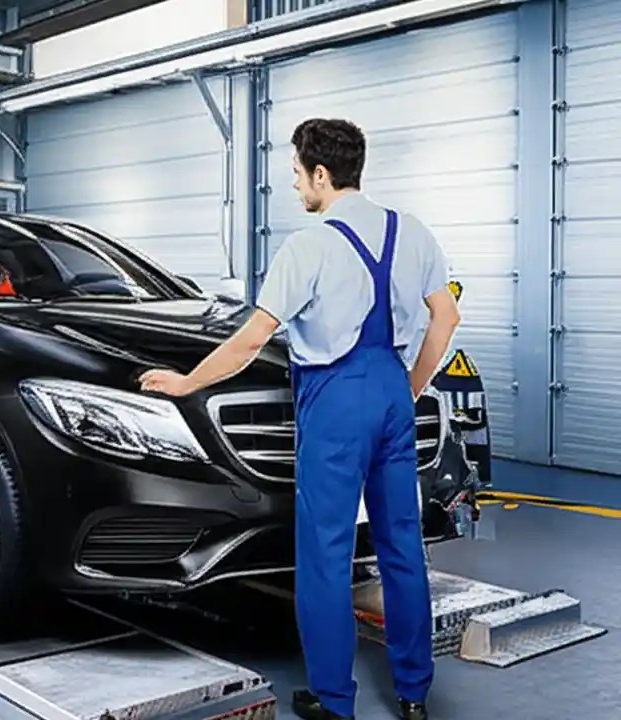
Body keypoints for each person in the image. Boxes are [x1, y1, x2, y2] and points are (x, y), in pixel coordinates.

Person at [138, 117, 460, 720]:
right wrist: (409, 388)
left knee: (327, 555)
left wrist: (185, 383)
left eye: (295, 173)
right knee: (401, 548)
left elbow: (248, 340)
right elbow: (445, 319)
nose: (294, 187)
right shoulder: (411, 232)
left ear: (320, 172)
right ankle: (414, 696)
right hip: (392, 390)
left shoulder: (307, 246)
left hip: (335, 400)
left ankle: (336, 701)